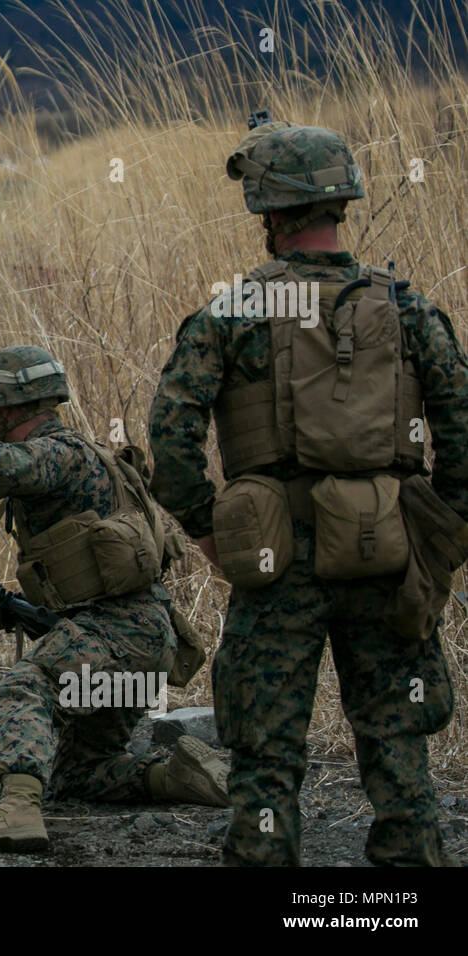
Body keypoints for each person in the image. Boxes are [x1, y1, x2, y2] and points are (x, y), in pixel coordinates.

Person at [148, 117, 468, 866]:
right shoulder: (408, 308)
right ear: (339, 204)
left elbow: (171, 433)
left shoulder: (232, 313)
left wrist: (205, 529)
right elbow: (461, 421)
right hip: (387, 554)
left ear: (270, 213)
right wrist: (442, 532)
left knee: (265, 757)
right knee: (400, 757)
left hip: (273, 557)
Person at [0, 345, 228, 855]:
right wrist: (10, 607)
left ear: (7, 409)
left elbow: (1, 468)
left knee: (23, 689)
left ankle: (17, 813)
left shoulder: (58, 454)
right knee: (81, 774)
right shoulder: (87, 459)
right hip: (143, 645)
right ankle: (175, 775)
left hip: (117, 638)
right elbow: (87, 592)